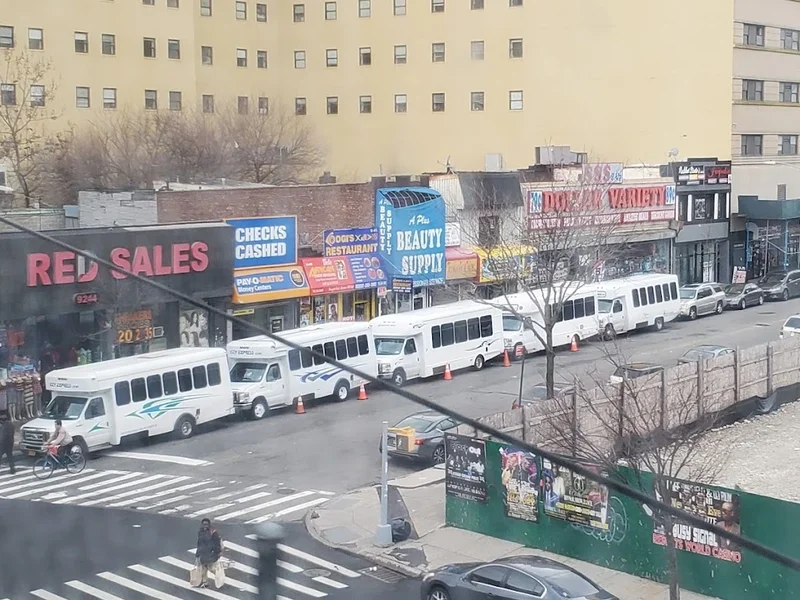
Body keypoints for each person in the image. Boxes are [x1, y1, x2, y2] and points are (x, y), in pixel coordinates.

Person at [194, 518, 223, 588]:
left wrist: (218, 552)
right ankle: (205, 582)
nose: (205, 526)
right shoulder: (200, 532)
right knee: (203, 568)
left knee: (211, 568)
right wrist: (198, 553)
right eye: (204, 524)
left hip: (211, 553)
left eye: (206, 524)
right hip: (203, 553)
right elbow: (199, 543)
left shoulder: (213, 533)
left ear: (209, 525)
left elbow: (217, 543)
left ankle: (220, 576)